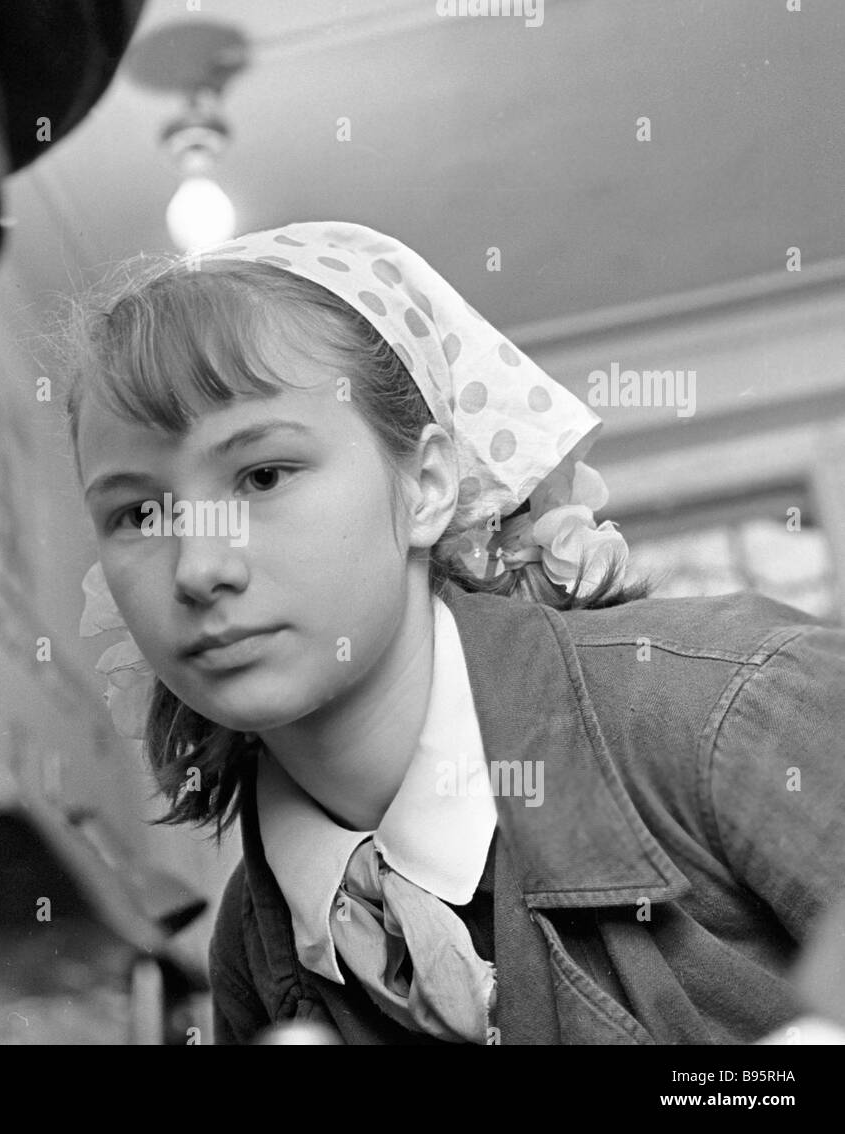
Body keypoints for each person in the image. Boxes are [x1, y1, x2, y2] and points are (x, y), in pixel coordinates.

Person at [56, 220, 845, 1044]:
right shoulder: (253, 957)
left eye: (262, 475)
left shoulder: (731, 713)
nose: (197, 567)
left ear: (429, 485)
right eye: (138, 513)